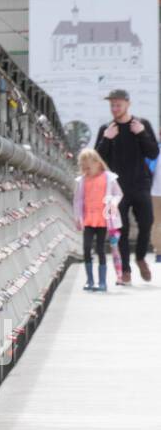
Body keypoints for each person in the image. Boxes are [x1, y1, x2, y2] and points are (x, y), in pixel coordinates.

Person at [94, 89, 159, 284]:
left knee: (147, 223)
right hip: (115, 188)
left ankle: (140, 258)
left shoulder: (142, 124)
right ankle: (126, 270)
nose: (114, 109)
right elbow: (97, 159)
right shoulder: (106, 128)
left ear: (127, 104)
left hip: (140, 184)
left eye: (118, 105)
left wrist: (141, 134)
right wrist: (107, 138)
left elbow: (153, 153)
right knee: (119, 229)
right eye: (112, 105)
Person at [74, 148, 121, 291]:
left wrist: (112, 204)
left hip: (102, 219)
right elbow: (78, 200)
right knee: (86, 248)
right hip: (88, 219)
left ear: (97, 163)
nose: (85, 170)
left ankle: (102, 282)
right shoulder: (82, 180)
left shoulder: (108, 177)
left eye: (88, 167)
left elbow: (118, 194)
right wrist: (77, 217)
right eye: (83, 168)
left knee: (100, 249)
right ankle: (90, 280)